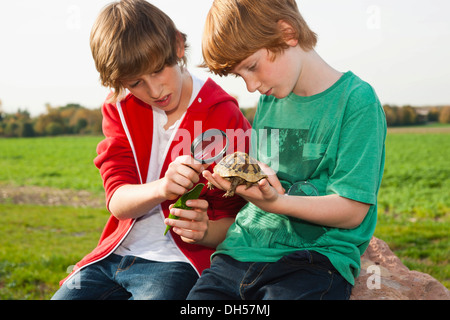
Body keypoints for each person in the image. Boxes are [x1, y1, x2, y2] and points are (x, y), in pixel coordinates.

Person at [187, 0, 386, 300]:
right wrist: (250, 179)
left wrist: (277, 202)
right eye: (241, 75)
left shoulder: (356, 101)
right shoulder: (271, 99)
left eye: (252, 67)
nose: (251, 86)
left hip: (312, 262)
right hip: (237, 254)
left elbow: (352, 210)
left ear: (287, 33)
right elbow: (268, 173)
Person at [52, 0, 250, 300]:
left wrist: (205, 228)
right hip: (114, 254)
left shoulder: (222, 115)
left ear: (178, 46)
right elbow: (117, 199)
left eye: (158, 70)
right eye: (136, 82)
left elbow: (241, 220)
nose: (155, 91)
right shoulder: (119, 107)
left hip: (177, 262)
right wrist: (162, 188)